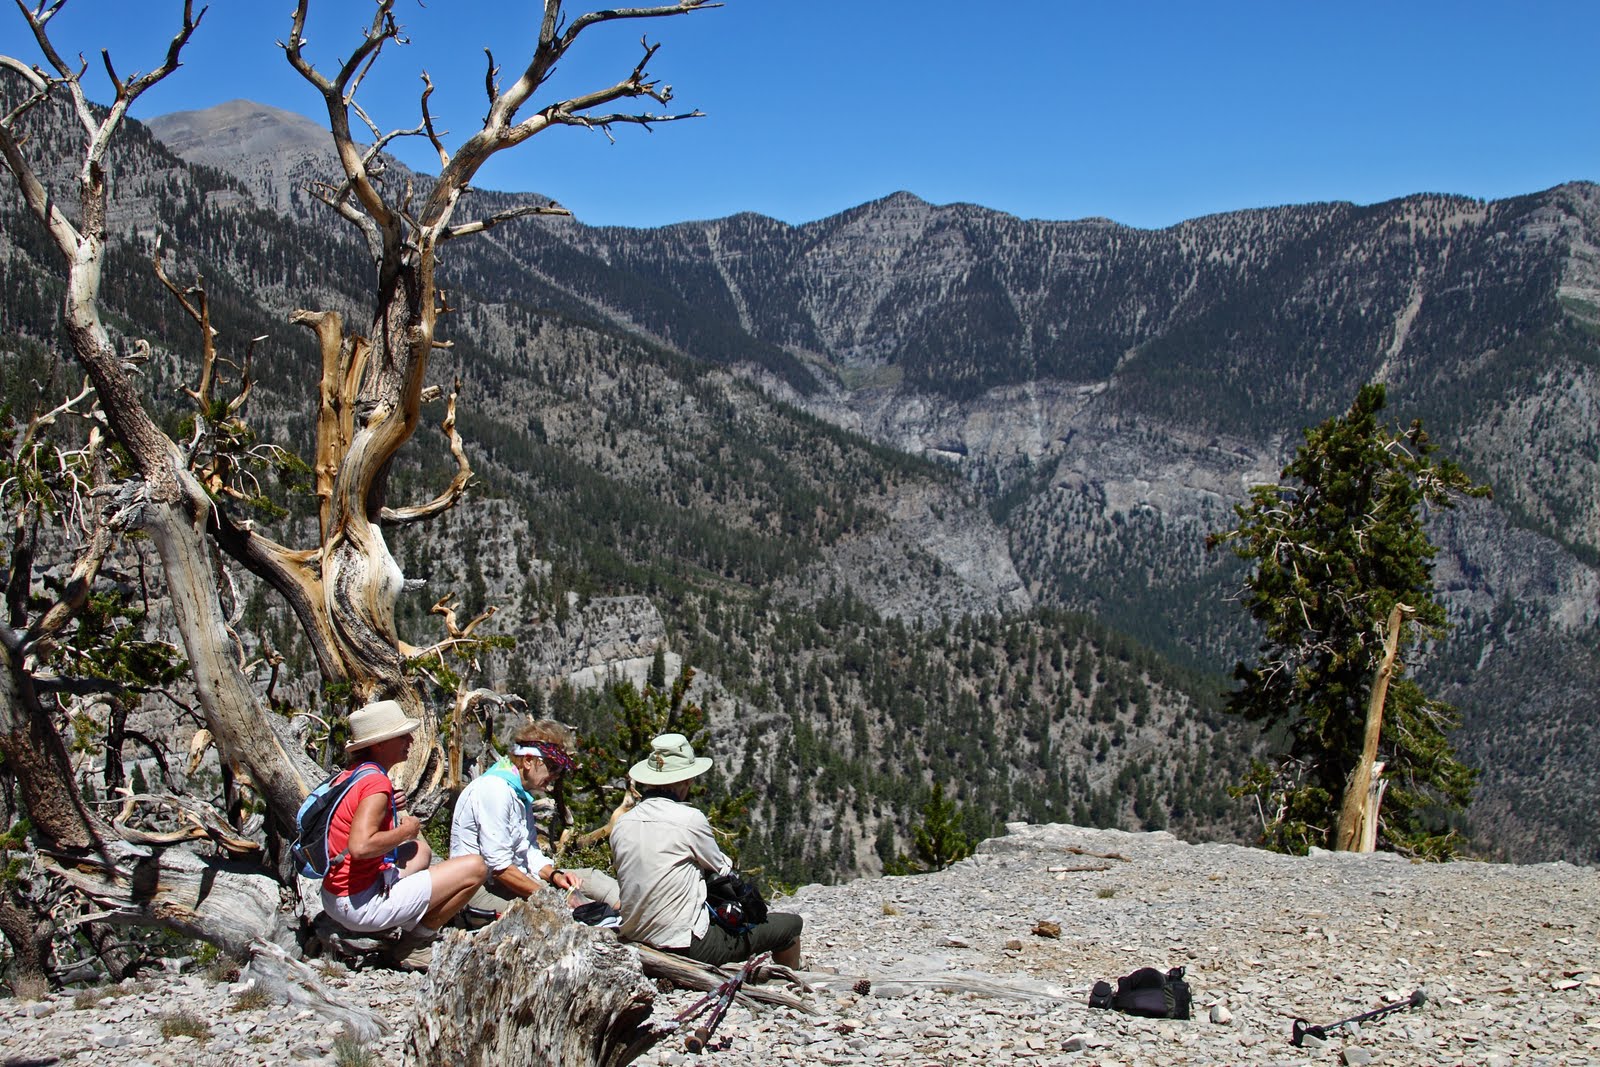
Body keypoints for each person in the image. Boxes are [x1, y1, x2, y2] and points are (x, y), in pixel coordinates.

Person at [610, 733, 801, 968]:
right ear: (686, 781)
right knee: (791, 925)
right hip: (684, 945)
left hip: (634, 937)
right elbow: (721, 868)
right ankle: (794, 980)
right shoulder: (689, 819)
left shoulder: (623, 822)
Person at [320, 699, 486, 948]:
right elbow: (360, 847)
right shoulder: (375, 783)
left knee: (420, 851)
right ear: (378, 745)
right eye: (401, 736)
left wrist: (388, 807)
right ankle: (415, 943)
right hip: (358, 903)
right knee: (476, 868)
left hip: (335, 893)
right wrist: (405, 830)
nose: (410, 741)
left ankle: (402, 917)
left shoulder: (354, 774)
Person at [449, 718, 621, 911]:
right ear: (529, 760)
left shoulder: (519, 794)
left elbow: (529, 852)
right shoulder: (495, 790)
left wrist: (555, 875)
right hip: (479, 890)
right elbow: (500, 869)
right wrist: (552, 897)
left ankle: (630, 917)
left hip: (515, 878)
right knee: (563, 913)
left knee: (594, 881)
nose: (555, 775)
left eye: (560, 770)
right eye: (552, 766)